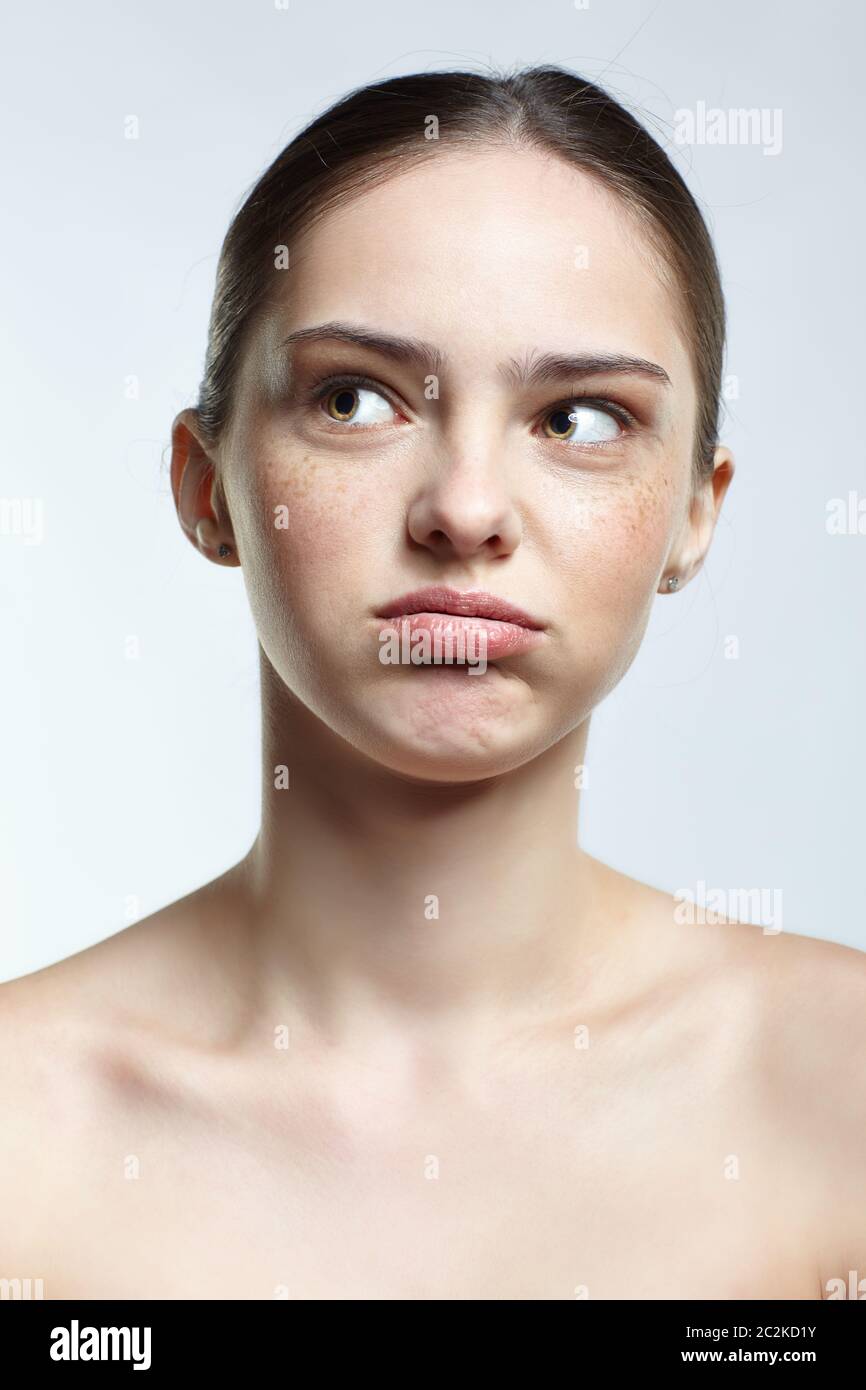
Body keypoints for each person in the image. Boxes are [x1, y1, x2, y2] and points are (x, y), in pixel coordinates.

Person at [2, 66, 864, 1301]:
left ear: (693, 511)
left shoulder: (839, 1095)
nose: (463, 510)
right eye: (354, 398)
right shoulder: (22, 1138)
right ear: (207, 486)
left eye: (579, 419)